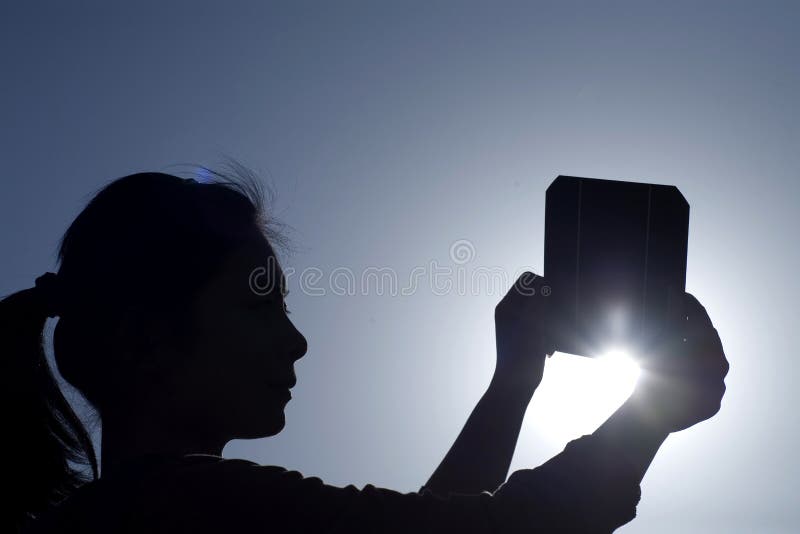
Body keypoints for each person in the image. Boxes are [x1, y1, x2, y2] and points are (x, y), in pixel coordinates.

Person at [3, 168, 728, 534]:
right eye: (261, 303)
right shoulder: (182, 507)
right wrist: (649, 415)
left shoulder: (135, 510)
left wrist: (513, 383)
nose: (297, 339)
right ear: (147, 337)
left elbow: (433, 520)